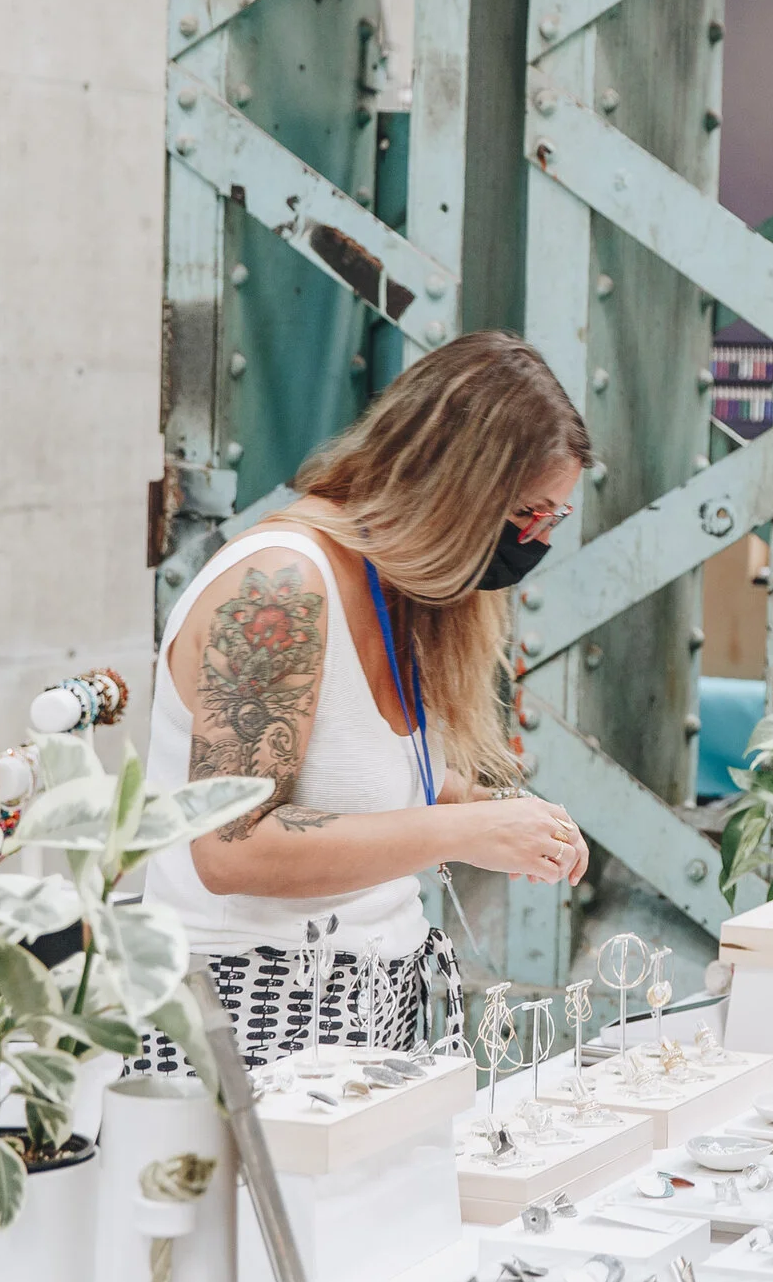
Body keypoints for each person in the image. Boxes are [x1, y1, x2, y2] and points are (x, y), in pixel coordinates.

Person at [132, 332, 593, 1073]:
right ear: (457, 486)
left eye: (554, 522)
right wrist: (462, 830)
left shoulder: (405, 590)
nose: (535, 541)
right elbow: (230, 843)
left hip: (377, 1006)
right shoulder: (280, 589)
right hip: (247, 1018)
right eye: (529, 515)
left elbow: (374, 777)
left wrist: (506, 819)